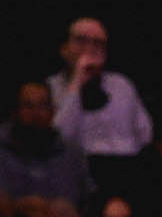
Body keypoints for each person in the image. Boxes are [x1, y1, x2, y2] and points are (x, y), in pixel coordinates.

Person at [0, 80, 92, 217]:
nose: (36, 114)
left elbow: (89, 208)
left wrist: (73, 216)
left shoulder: (73, 154)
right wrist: (15, 208)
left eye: (43, 106)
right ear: (14, 112)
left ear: (53, 111)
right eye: (28, 106)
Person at [49, 17, 153, 161]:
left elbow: (145, 135)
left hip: (124, 163)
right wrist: (78, 81)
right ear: (64, 49)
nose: (89, 49)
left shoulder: (121, 84)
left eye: (98, 44)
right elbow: (57, 140)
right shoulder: (50, 88)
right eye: (81, 41)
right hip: (75, 169)